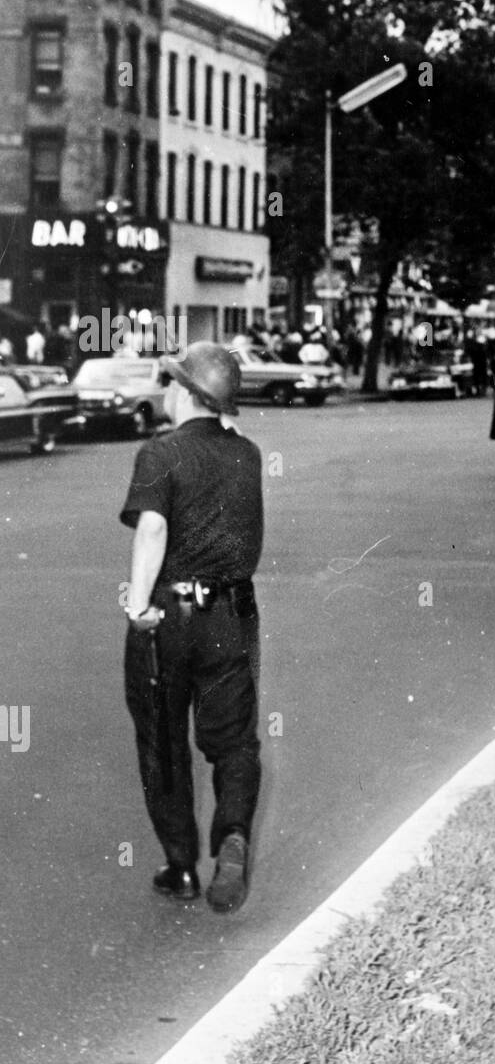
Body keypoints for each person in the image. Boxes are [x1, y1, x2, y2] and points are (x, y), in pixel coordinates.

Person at [120, 342, 264, 914]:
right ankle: (232, 834)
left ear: (184, 393)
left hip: (169, 618)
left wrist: (136, 603)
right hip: (231, 614)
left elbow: (152, 532)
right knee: (233, 740)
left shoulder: (160, 453)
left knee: (162, 741)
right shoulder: (247, 454)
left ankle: (180, 866)